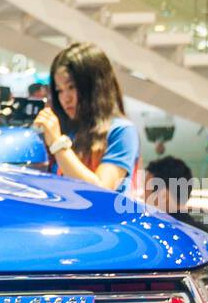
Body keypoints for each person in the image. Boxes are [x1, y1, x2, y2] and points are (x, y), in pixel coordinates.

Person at [33, 42, 140, 194]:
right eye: (59, 90)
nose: (65, 98)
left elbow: (101, 191)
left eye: (71, 87)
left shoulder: (121, 132)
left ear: (94, 86)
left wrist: (58, 144)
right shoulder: (67, 131)